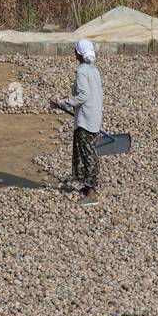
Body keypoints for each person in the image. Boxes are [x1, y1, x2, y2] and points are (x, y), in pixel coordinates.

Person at [49, 39, 104, 206]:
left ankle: (92, 193)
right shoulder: (94, 70)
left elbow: (83, 96)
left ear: (78, 54)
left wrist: (62, 102)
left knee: (88, 155)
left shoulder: (81, 72)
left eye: (75, 51)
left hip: (86, 120)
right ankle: (88, 187)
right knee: (89, 152)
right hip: (94, 116)